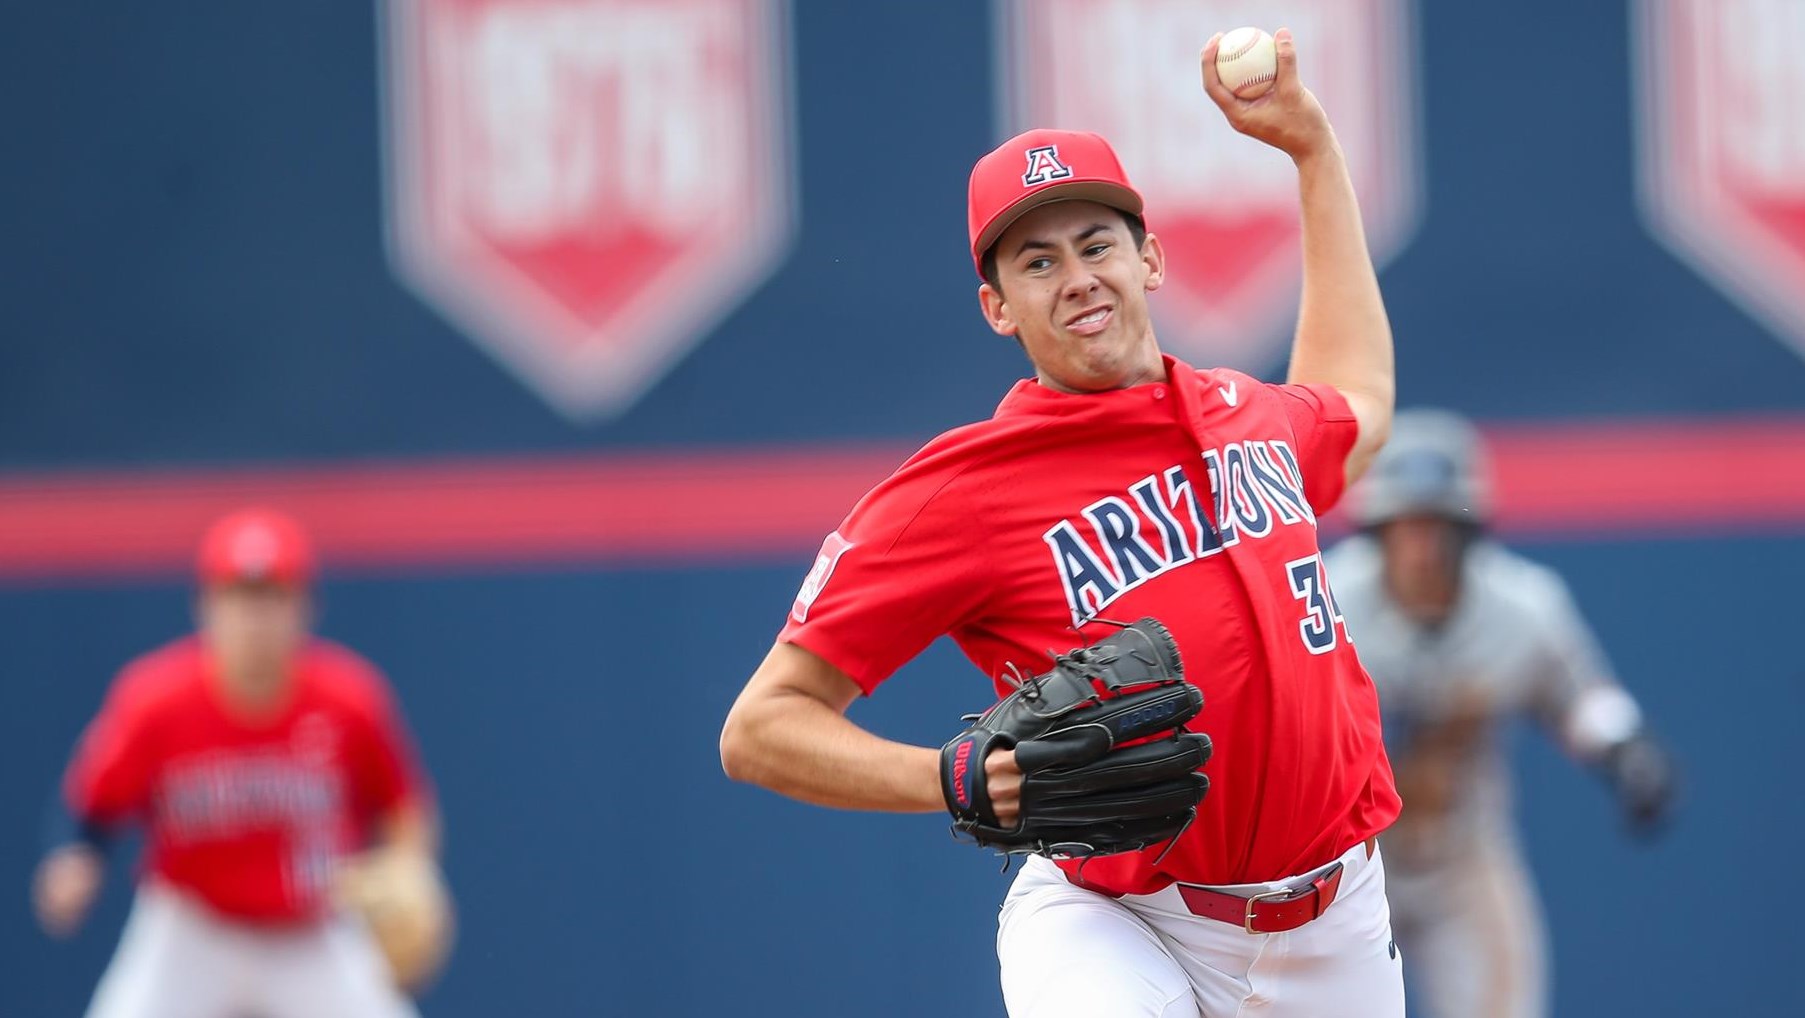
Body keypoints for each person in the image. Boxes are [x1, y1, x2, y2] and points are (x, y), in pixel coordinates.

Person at [722, 30, 1406, 1018]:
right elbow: (759, 729)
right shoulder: (966, 488)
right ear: (997, 307)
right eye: (1036, 262)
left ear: (1150, 258)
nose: (1077, 276)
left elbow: (1358, 397)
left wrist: (1311, 152)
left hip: (1334, 922)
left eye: (1096, 244)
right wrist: (953, 777)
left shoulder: (1248, 416)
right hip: (1116, 917)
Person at [1323, 408, 1677, 1018]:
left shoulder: (1522, 607)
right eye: (1407, 527)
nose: (1422, 548)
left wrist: (1627, 751)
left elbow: (1582, 699)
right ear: (1379, 531)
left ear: (1469, 533)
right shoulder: (1326, 600)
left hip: (1463, 854)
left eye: (1438, 527)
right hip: (1346, 857)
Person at [32, 508, 447, 1018]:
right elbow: (91, 807)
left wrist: (412, 868)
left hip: (309, 931)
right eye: (240, 599)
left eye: (273, 599)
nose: (256, 621)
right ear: (205, 605)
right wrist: (74, 858)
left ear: (305, 607)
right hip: (192, 931)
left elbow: (404, 808)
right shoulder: (154, 700)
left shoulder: (350, 700)